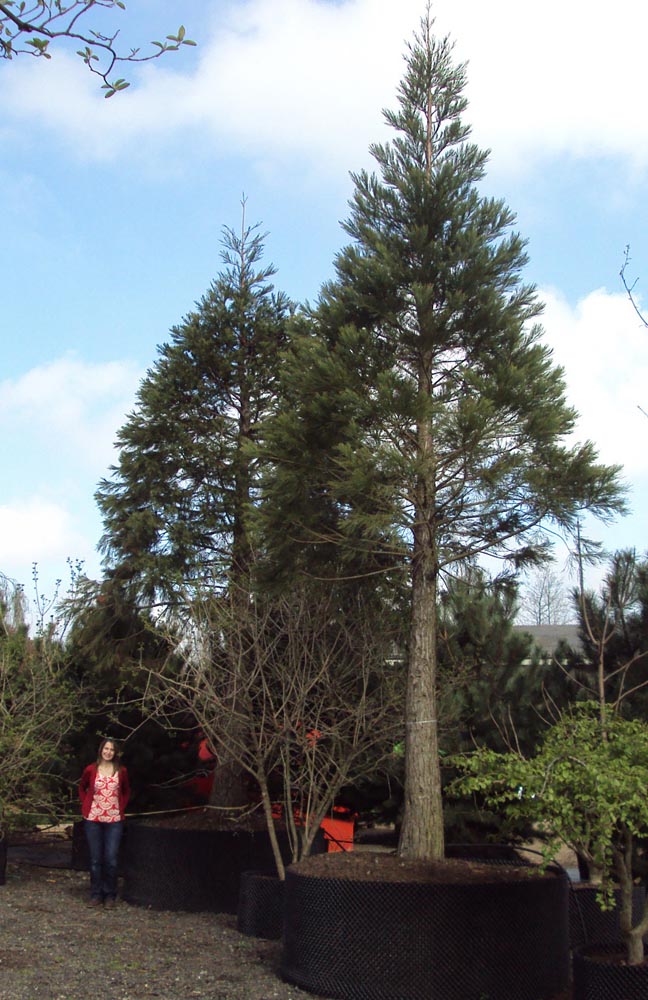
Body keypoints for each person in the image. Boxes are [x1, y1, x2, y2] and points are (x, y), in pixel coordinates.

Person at [78, 738, 130, 908]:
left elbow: (126, 790)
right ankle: (95, 894)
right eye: (106, 749)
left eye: (112, 750)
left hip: (114, 820)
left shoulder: (121, 771)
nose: (108, 752)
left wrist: (121, 806)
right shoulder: (91, 769)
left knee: (111, 859)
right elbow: (82, 786)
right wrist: (86, 805)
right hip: (93, 819)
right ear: (101, 750)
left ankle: (110, 895)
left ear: (115, 753)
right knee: (95, 859)